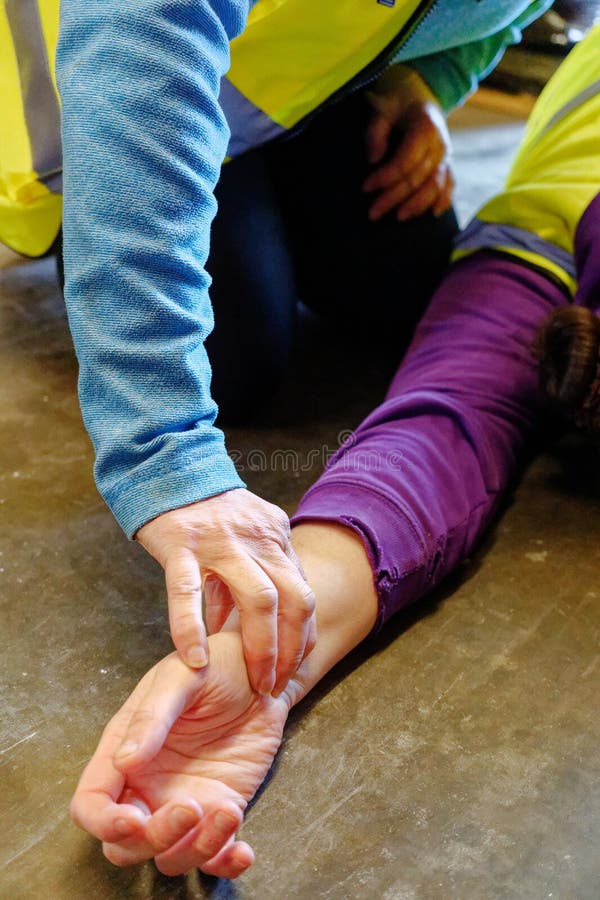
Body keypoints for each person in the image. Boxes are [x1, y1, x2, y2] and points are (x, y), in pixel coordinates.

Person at [70, 25, 600, 878]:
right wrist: (162, 449)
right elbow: (447, 424)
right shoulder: (539, 258)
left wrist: (271, 646)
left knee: (389, 265)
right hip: (136, 68)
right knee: (237, 350)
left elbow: (436, 439)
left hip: (326, 84)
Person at [2, 1, 552, 693]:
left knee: (405, 276)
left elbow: (505, 13)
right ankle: (95, 223)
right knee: (237, 360)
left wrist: (424, 83)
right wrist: (161, 449)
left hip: (277, 83)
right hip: (122, 82)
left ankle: (272, 178)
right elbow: (141, 24)